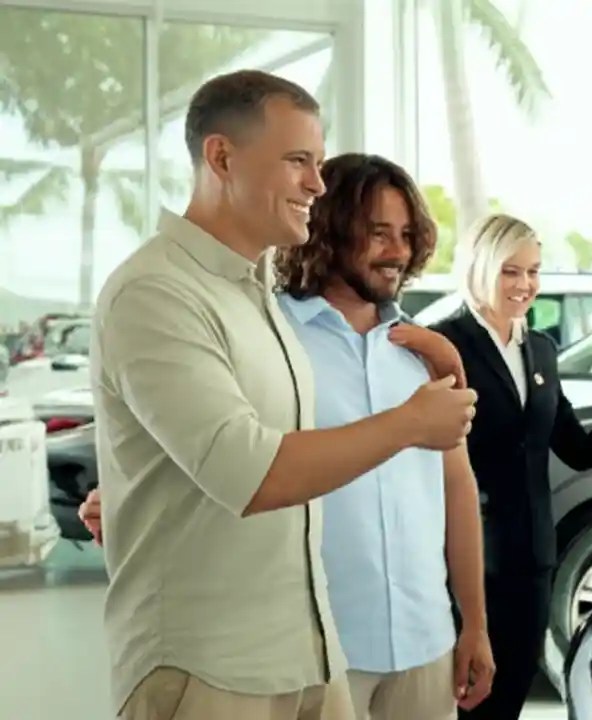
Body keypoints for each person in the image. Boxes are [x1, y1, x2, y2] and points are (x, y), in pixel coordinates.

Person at [90, 69, 476, 720]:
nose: (317, 185)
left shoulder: (254, 296)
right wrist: (410, 423)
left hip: (306, 654)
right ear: (221, 157)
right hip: (208, 665)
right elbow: (250, 469)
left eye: (320, 165)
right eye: (299, 161)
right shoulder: (154, 291)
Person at [274, 152, 494, 720]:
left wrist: (474, 623)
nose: (397, 252)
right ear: (328, 228)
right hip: (315, 649)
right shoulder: (273, 341)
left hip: (427, 642)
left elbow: (456, 489)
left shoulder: (424, 354)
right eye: (377, 234)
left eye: (404, 234)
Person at [388, 213, 592, 720]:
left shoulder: (541, 350)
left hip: (532, 559)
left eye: (533, 271)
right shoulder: (444, 346)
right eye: (511, 271)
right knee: (464, 700)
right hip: (462, 561)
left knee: (510, 695)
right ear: (480, 268)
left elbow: (574, 446)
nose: (525, 285)